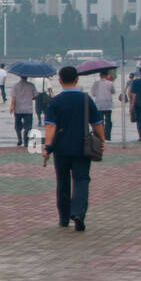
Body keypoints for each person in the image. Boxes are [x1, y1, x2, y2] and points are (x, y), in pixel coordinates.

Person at [42, 66, 105, 232]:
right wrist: (103, 140)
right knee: (82, 180)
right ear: (77, 80)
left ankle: (64, 218)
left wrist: (47, 148)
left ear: (60, 80)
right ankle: (78, 214)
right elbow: (97, 124)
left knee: (62, 182)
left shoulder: (55, 102)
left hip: (60, 149)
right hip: (82, 148)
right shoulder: (85, 99)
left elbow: (50, 128)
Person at [89, 69, 116, 143]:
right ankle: (108, 137)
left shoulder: (95, 83)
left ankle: (101, 136)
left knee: (100, 122)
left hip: (99, 104)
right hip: (108, 104)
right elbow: (113, 92)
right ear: (107, 75)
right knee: (108, 121)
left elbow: (93, 94)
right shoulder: (110, 83)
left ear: (100, 75)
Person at [10, 74, 38, 147]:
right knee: (28, 126)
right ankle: (26, 141)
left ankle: (19, 139)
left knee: (17, 125)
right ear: (27, 77)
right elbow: (35, 96)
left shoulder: (15, 86)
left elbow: (13, 97)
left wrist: (12, 106)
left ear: (20, 76)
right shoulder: (31, 85)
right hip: (28, 109)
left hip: (18, 109)